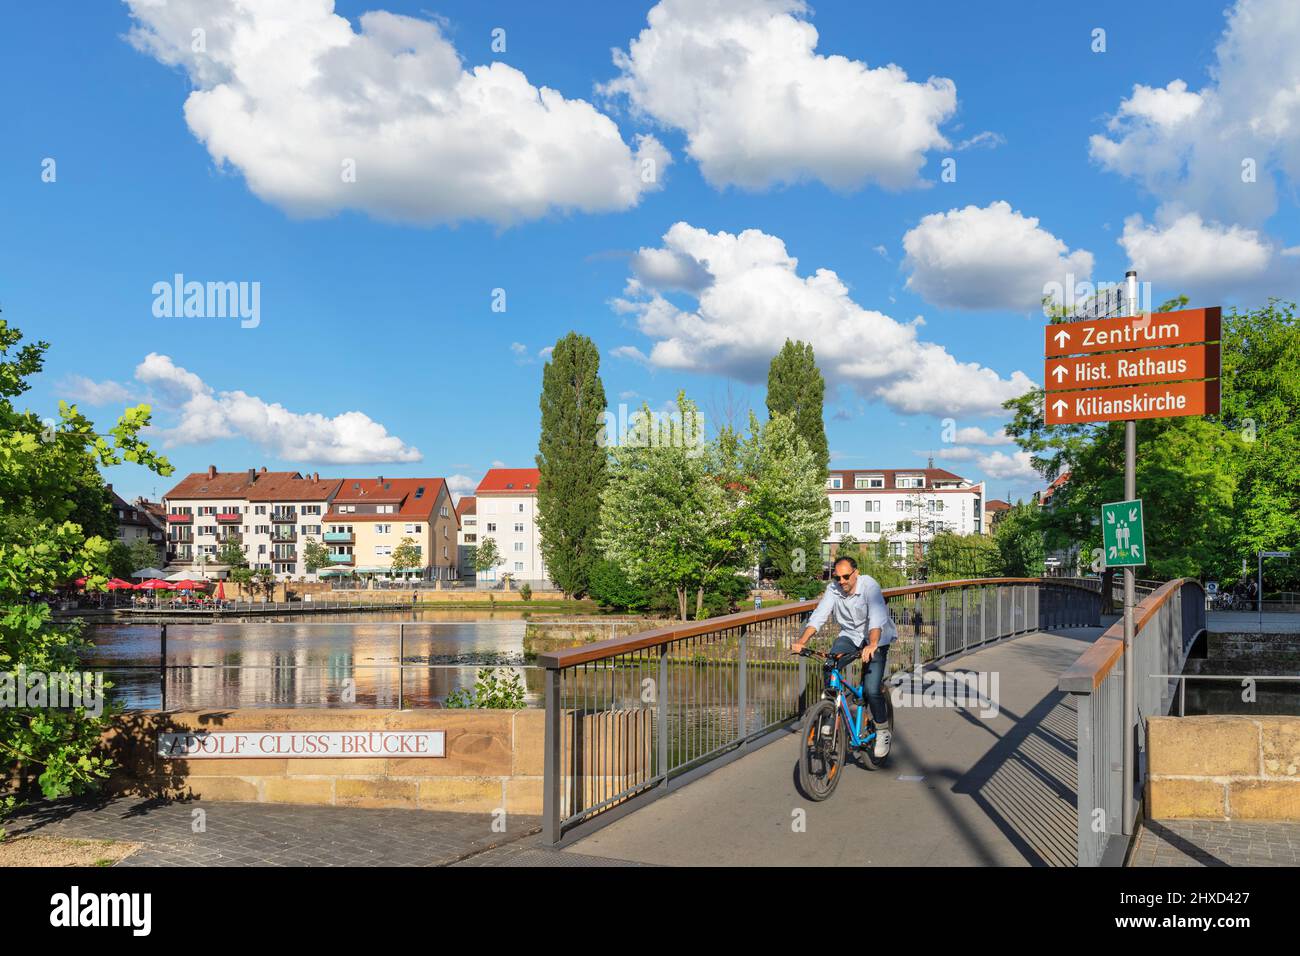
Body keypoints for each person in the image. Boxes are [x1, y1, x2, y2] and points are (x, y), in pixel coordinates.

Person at [791, 555, 897, 758]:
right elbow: (819, 615)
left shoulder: (869, 586)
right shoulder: (833, 589)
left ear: (856, 573)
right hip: (850, 635)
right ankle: (830, 715)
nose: (841, 581)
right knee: (830, 665)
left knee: (871, 689)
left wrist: (872, 644)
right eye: (837, 577)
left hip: (876, 637)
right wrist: (802, 641)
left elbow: (876, 619)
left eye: (846, 577)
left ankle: (883, 730)